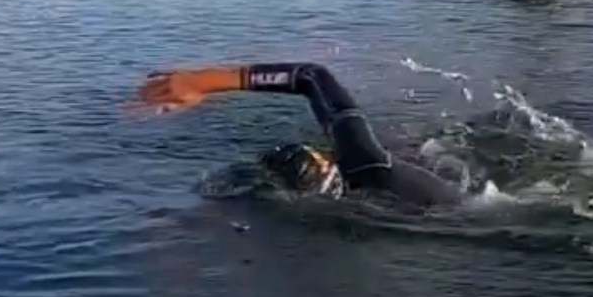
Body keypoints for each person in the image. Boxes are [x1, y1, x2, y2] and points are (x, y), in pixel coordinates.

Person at [135, 61, 462, 208]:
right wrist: (202, 82)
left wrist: (201, 81)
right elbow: (310, 75)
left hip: (459, 205)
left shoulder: (363, 160)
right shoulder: (361, 159)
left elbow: (312, 75)